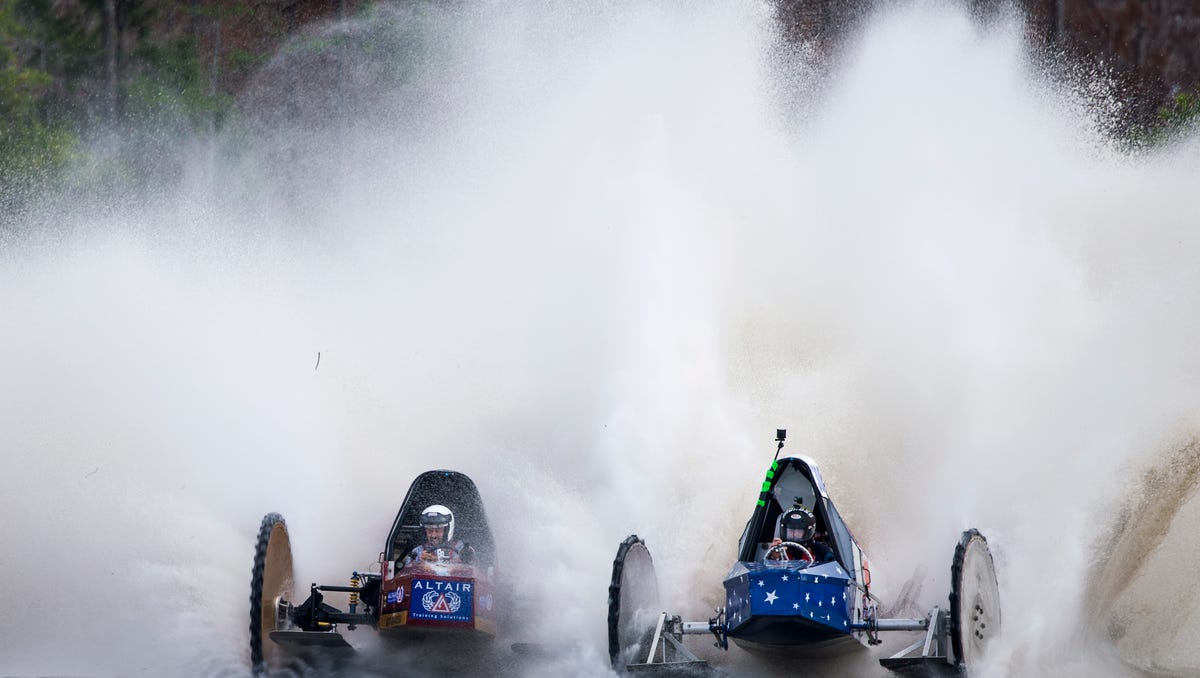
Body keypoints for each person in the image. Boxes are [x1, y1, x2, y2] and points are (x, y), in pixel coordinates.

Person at [399, 505, 475, 569]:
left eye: (438, 531)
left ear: (446, 530)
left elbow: (471, 567)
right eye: (429, 531)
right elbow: (407, 572)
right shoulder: (418, 551)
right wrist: (419, 562)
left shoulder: (462, 548)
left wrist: (437, 561)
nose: (433, 535)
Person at [768, 506, 834, 564]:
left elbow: (833, 568)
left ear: (808, 532)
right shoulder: (780, 551)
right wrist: (774, 557)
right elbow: (769, 573)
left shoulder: (820, 550)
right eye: (791, 531)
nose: (794, 535)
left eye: (798, 532)